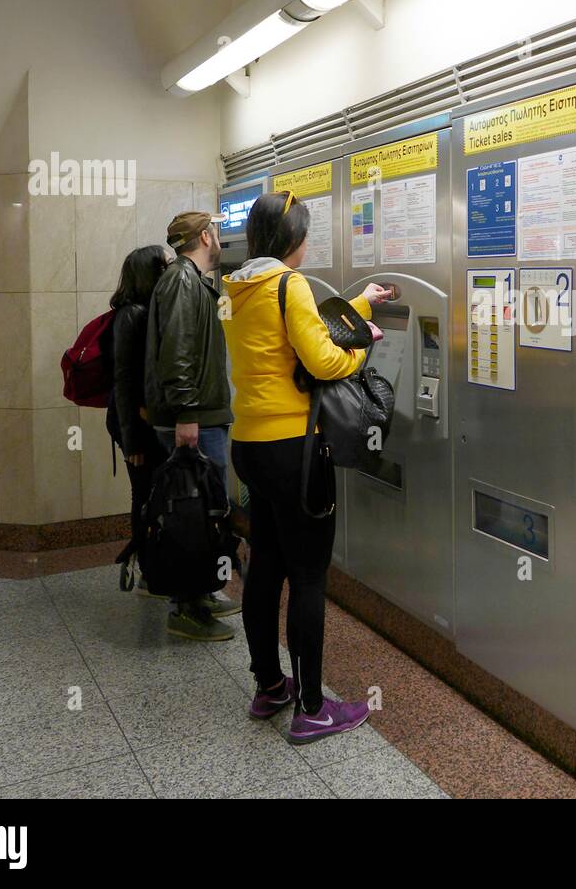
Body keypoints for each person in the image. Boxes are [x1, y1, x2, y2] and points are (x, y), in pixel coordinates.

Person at [223, 190, 390, 742]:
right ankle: (314, 708)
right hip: (295, 448)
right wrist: (365, 346)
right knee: (310, 576)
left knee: (266, 565)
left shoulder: (238, 287)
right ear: (293, 238)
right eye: (305, 233)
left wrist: (357, 305)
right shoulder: (288, 283)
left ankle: (270, 686)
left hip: (250, 446)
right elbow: (320, 357)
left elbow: (295, 334)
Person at [144, 209, 239, 640]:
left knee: (202, 510)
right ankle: (185, 607)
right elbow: (177, 352)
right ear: (204, 236)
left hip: (199, 415)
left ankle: (198, 594)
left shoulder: (189, 280)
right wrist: (186, 415)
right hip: (194, 418)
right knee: (192, 514)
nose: (219, 240)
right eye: (215, 233)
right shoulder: (184, 281)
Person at [106, 245, 170, 590]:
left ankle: (150, 563)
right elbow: (124, 381)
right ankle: (147, 570)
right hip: (134, 424)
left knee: (151, 492)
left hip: (144, 421)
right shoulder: (132, 316)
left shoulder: (145, 311)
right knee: (144, 494)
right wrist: (132, 441)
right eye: (163, 266)